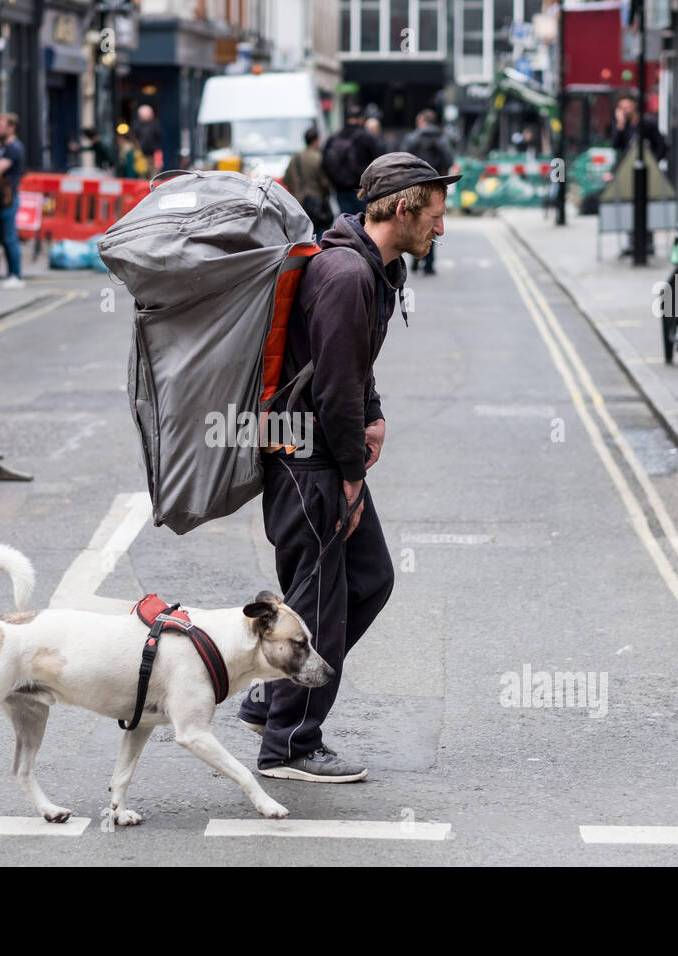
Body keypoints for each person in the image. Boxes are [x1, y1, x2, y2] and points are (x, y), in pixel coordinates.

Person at [235, 153, 457, 781]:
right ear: (404, 207)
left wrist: (376, 413)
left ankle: (273, 697)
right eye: (435, 217)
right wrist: (353, 472)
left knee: (370, 580)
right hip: (309, 463)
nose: (441, 230)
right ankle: (289, 744)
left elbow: (355, 369)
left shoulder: (374, 268)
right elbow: (333, 389)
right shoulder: (345, 275)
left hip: (325, 457)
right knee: (321, 601)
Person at [609, 93, 668, 257]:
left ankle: (647, 242)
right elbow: (616, 146)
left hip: (647, 174)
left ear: (634, 105)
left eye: (627, 106)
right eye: (622, 107)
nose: (625, 110)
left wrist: (653, 164)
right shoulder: (623, 125)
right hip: (628, 174)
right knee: (629, 206)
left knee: (647, 206)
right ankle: (632, 242)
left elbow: (661, 145)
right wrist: (620, 124)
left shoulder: (647, 123)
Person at [400, 109, 454, 275]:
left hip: (414, 186)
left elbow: (402, 159)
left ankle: (416, 258)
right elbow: (449, 160)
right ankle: (429, 264)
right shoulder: (441, 139)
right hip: (435, 187)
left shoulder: (412, 138)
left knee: (414, 220)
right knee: (433, 223)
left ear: (423, 121)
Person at [321, 105, 383, 216]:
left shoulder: (335, 137)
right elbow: (378, 162)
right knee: (362, 221)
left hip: (340, 188)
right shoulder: (367, 138)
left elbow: (324, 163)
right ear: (361, 119)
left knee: (345, 220)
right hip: (361, 189)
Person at [0, 113, 26, 289]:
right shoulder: (2, 148)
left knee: (9, 238)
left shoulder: (13, 148)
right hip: (1, 199)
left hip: (8, 198)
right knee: (5, 239)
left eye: (0, 125)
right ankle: (12, 274)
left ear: (11, 128)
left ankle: (16, 275)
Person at [283, 127, 333, 242]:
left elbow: (286, 179)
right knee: (319, 235)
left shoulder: (295, 158)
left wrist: (296, 190)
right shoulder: (318, 158)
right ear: (316, 140)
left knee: (303, 237)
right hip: (317, 204)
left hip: (299, 203)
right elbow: (325, 182)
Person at [131, 104, 163, 177]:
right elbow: (134, 138)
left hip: (154, 155)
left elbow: (159, 138)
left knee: (155, 176)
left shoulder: (155, 124)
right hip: (142, 155)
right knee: (142, 175)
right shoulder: (137, 125)